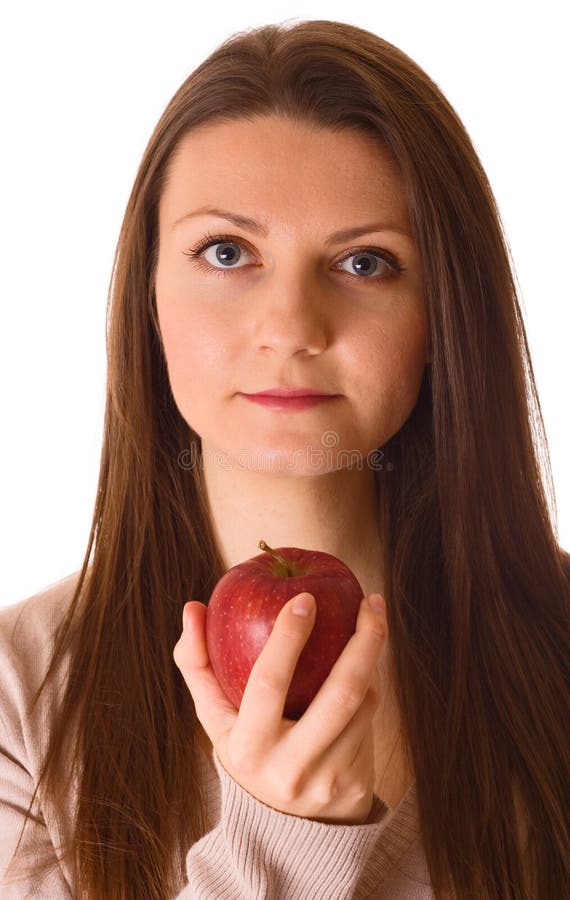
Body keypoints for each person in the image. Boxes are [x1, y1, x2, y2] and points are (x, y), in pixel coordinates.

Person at [1, 17, 568, 900]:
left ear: (442, 317)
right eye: (227, 254)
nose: (292, 330)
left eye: (365, 262)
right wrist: (280, 849)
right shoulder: (20, 698)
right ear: (148, 299)